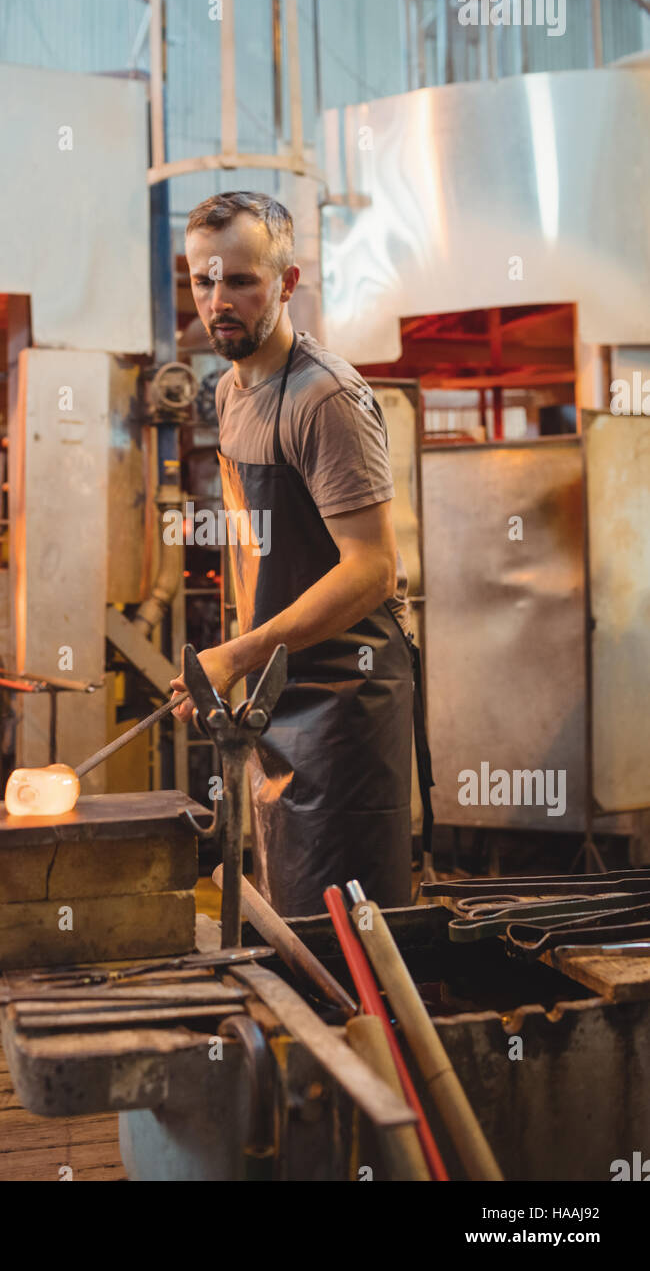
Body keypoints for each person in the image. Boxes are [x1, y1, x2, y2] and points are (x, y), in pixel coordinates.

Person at [170, 191, 425, 917]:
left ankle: (375, 1036)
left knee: (352, 930)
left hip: (347, 699)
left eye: (241, 281)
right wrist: (230, 664)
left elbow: (373, 569)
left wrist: (239, 654)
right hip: (275, 694)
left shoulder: (325, 399)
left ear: (287, 283)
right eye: (203, 280)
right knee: (292, 911)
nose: (218, 301)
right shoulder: (230, 392)